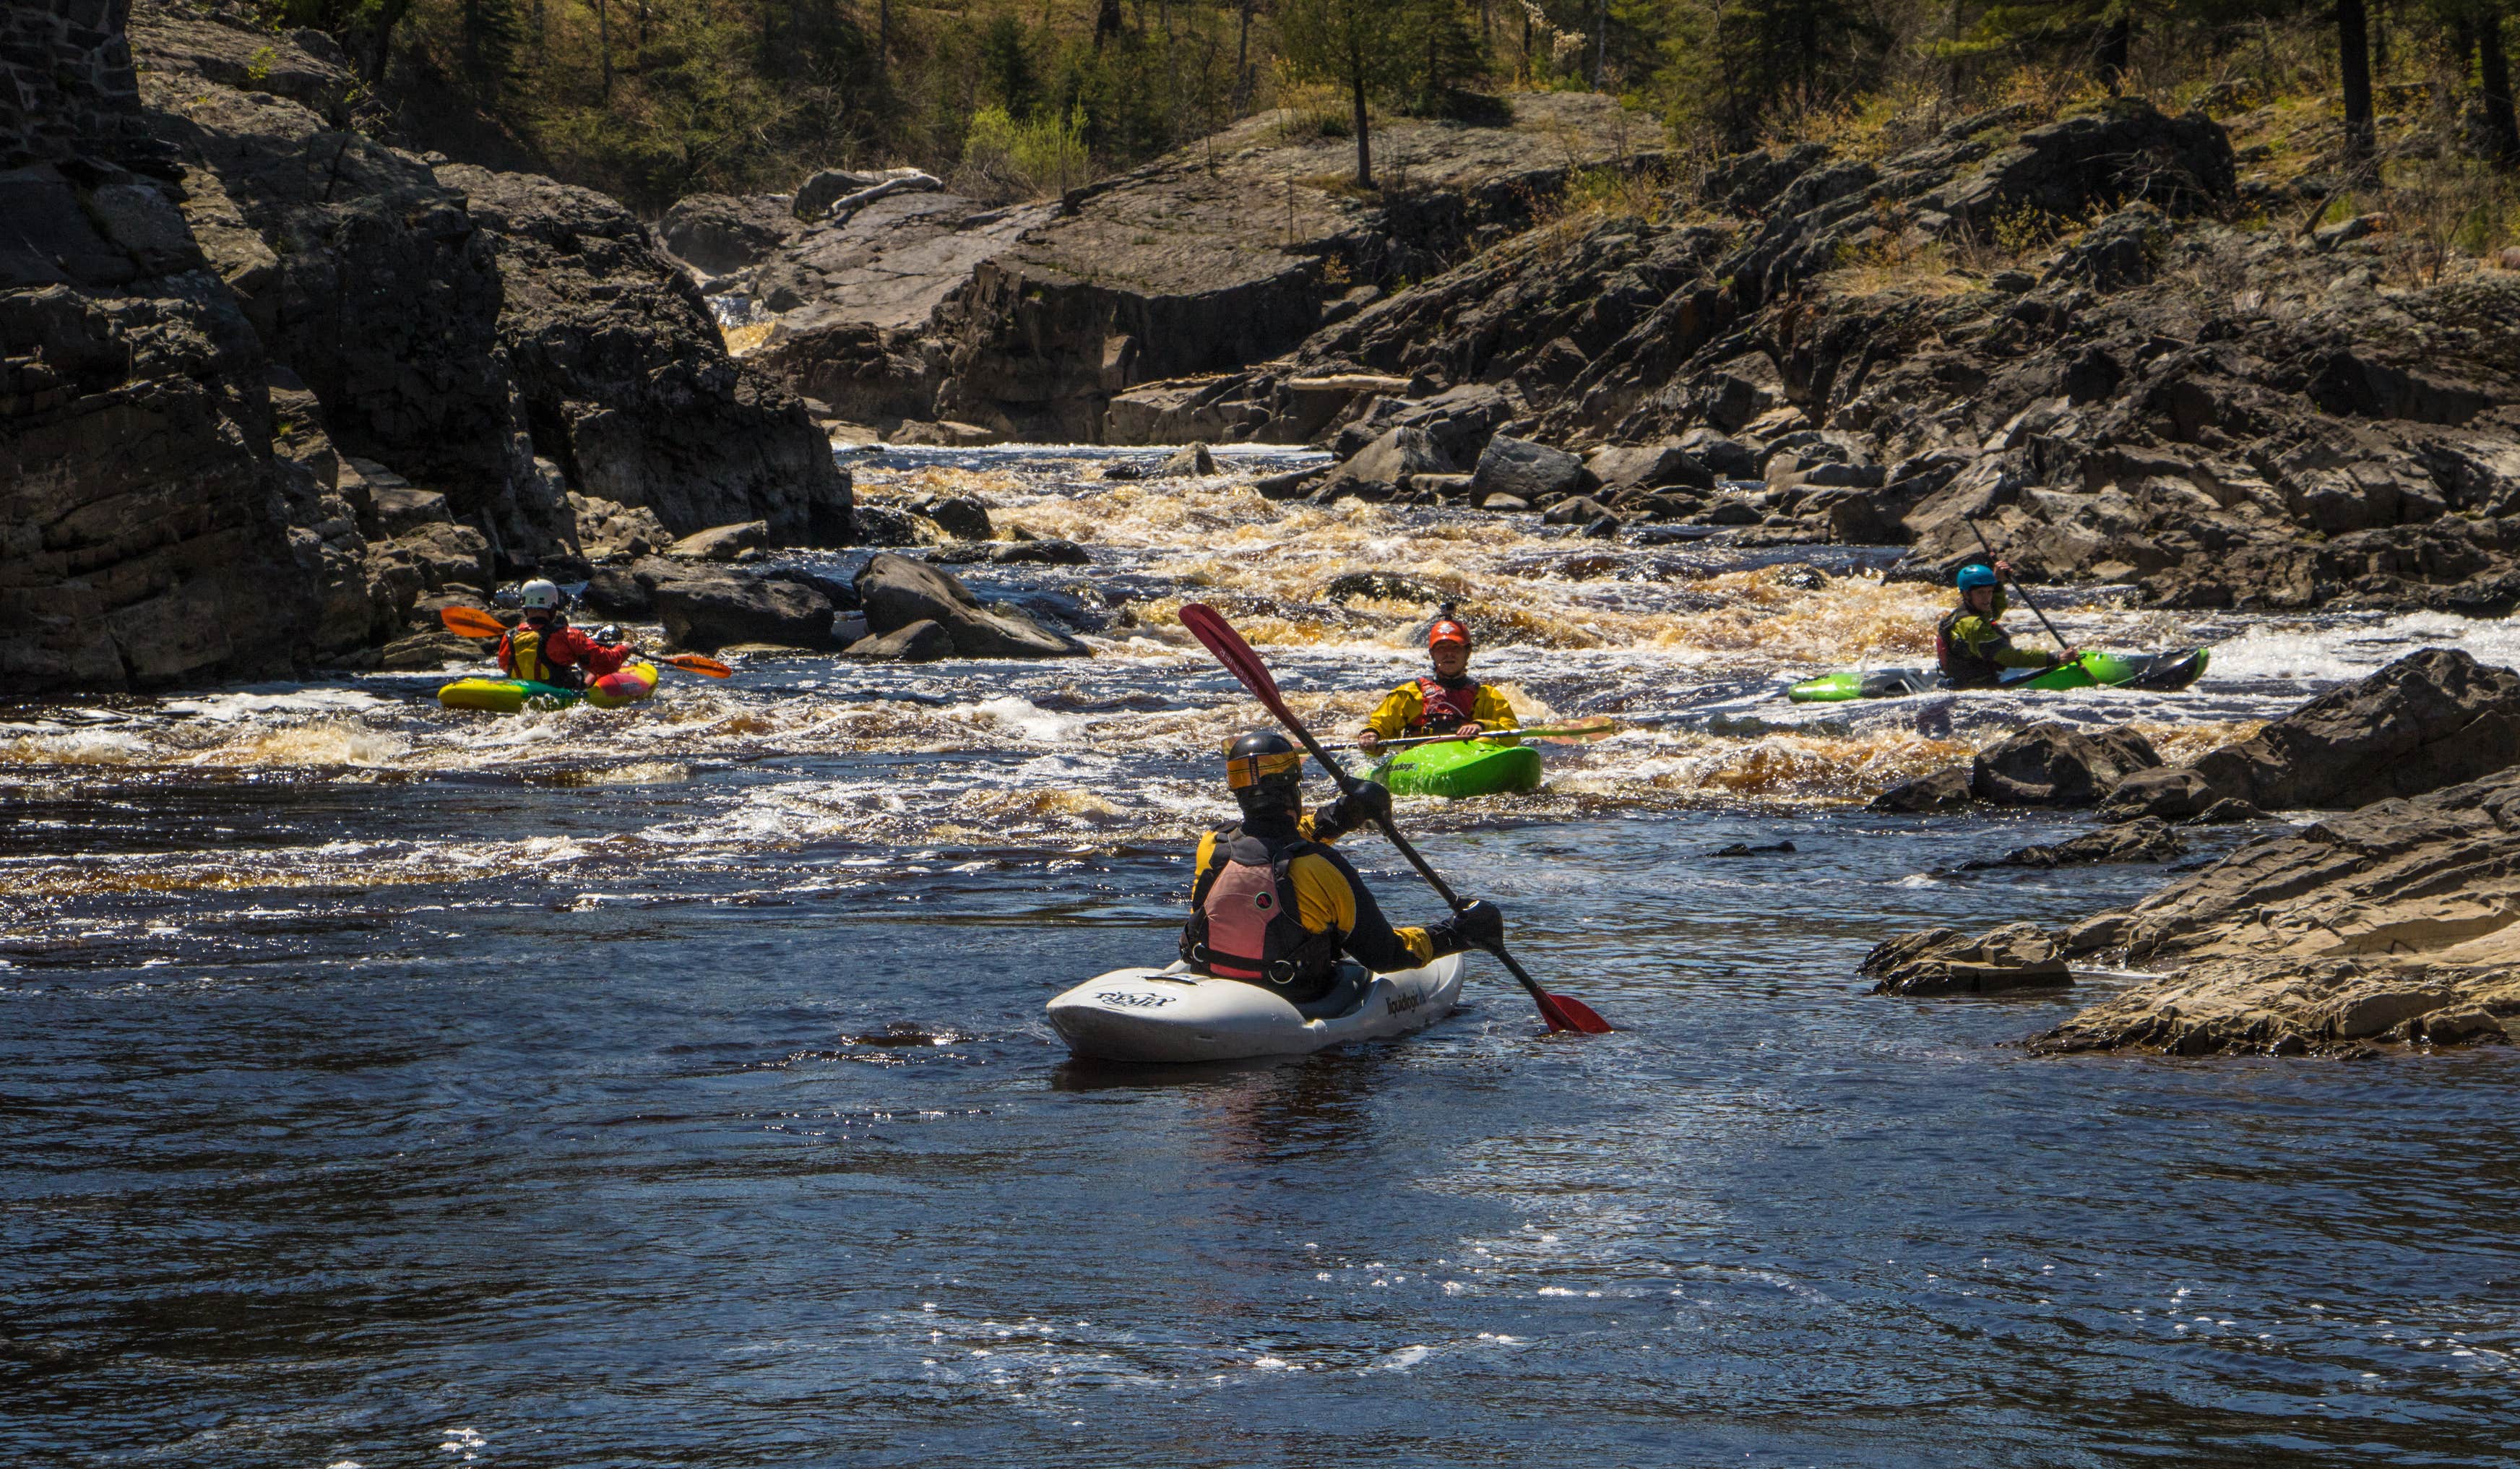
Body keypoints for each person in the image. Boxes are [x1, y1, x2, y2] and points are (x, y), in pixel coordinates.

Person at [1181, 732, 1506, 1014]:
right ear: (1295, 789)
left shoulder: (1213, 844)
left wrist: (1344, 815)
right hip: (1294, 996)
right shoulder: (1323, 867)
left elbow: (1270, 840)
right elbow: (1385, 954)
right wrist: (1456, 934)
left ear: (1238, 791)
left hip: (1214, 976)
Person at [1355, 607, 1520, 754]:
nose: (1449, 654)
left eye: (1456, 648)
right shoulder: (1410, 694)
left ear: (1468, 652)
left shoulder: (1487, 696)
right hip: (1421, 758)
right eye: (1442, 648)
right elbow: (1381, 726)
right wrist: (1372, 734)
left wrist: (1483, 726)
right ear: (1432, 654)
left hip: (1469, 755)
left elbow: (1512, 734)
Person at [1938, 562, 2079, 689]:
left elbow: (1993, 611)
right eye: (1981, 593)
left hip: (1974, 682)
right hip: (1974, 688)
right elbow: (2009, 657)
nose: (1987, 598)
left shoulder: (1969, 610)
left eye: (1990, 592)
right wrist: (2056, 658)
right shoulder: (1972, 625)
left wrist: (1997, 581)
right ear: (1966, 594)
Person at [497, 579, 633, 690]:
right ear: (552, 607)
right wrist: (623, 650)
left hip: (520, 692)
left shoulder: (509, 636)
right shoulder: (568, 635)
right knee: (592, 671)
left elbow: (504, 665)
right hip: (558, 694)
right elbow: (607, 663)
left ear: (525, 607)